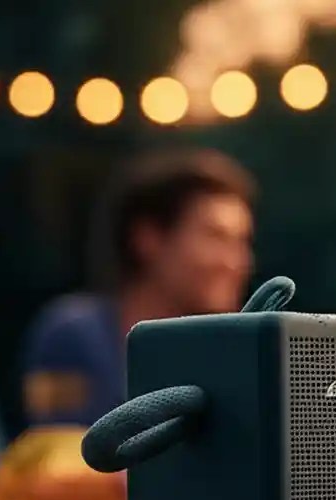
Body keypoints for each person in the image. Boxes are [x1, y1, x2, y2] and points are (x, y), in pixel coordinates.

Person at [22, 150, 255, 428]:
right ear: (148, 239)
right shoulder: (72, 334)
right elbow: (56, 453)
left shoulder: (229, 357)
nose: (238, 262)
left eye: (242, 242)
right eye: (216, 237)